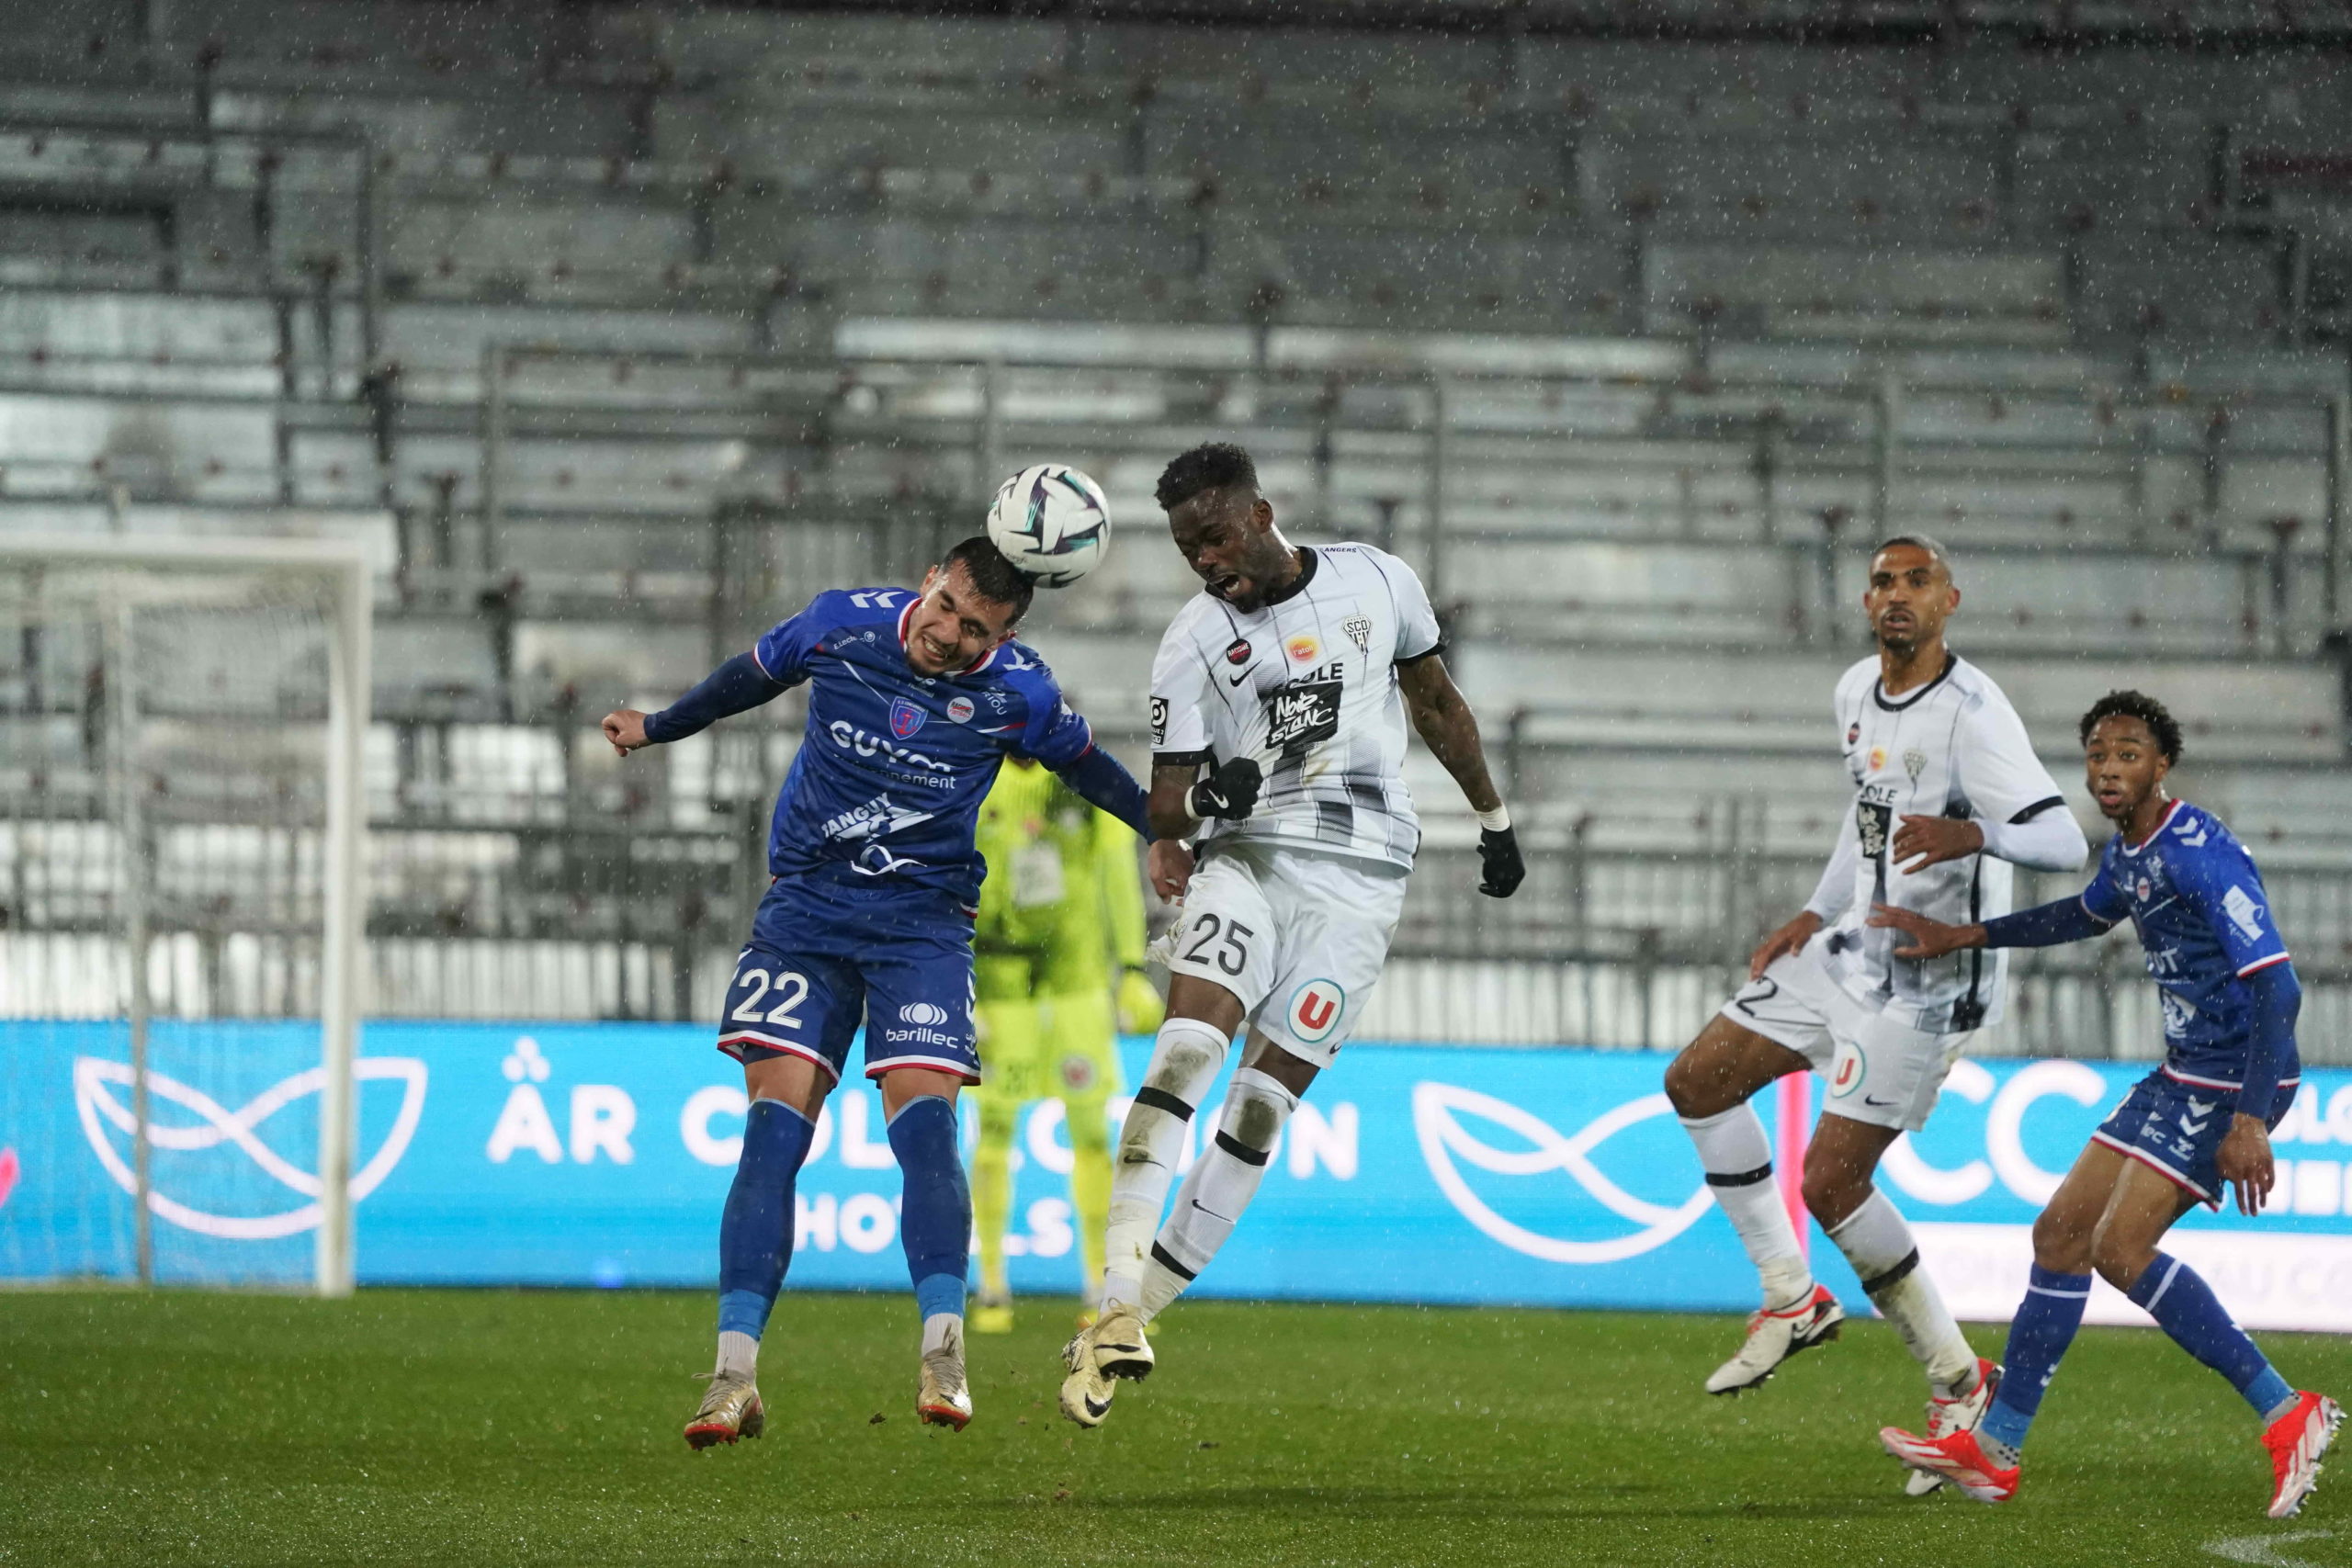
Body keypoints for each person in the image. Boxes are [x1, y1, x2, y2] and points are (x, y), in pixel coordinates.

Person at [599, 536, 1163, 1447]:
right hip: (806, 915)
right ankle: (732, 1375)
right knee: (774, 1129)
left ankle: (943, 1351)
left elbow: (1090, 771)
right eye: (944, 610)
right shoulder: (840, 625)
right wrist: (659, 726)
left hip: (922, 925)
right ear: (932, 576)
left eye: (975, 632)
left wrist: (1166, 835)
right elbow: (748, 678)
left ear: (1005, 634)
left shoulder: (1020, 693)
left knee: (927, 1123)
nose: (948, 637)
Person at [1057, 441, 1525, 1429]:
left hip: (1363, 883)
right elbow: (1170, 805)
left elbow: (1436, 705)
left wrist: (1493, 821)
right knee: (1187, 1053)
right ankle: (1109, 1295)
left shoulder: (1377, 580)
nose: (1206, 561)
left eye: (1216, 537)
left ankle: (1125, 1322)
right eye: (1188, 548)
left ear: (1261, 513)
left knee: (1261, 1112)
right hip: (1252, 863)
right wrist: (1200, 808)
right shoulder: (1191, 642)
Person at [1659, 536, 2089, 1494]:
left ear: (1950, 602)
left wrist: (1975, 831)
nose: (1897, 596)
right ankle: (1788, 1294)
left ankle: (1957, 1380)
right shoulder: (1856, 689)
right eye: (1884, 583)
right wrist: (1814, 911)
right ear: (1866, 601)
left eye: (1917, 583)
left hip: (1931, 978)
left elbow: (2064, 841)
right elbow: (1865, 821)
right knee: (1695, 1080)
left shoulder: (1973, 716)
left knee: (1830, 1182)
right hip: (1852, 944)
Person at [1872, 689, 2341, 1518]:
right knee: (2059, 1234)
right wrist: (1966, 935)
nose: (2109, 768)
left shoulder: (2199, 854)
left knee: (2119, 1249)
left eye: (2128, 753)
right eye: (2097, 754)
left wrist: (2251, 1118)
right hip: (2186, 1069)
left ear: (2163, 765)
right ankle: (1995, 1450)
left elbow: (2280, 989)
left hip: (2236, 1078)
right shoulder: (2129, 854)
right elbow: (2085, 915)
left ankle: (2289, 1412)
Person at [968, 753, 1166, 1334]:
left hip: (1077, 987)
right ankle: (991, 1287)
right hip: (1001, 987)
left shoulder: (1084, 785)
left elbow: (1115, 876)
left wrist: (1131, 967)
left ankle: (1104, 1289)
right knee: (995, 1133)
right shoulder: (976, 776)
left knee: (1091, 1137)